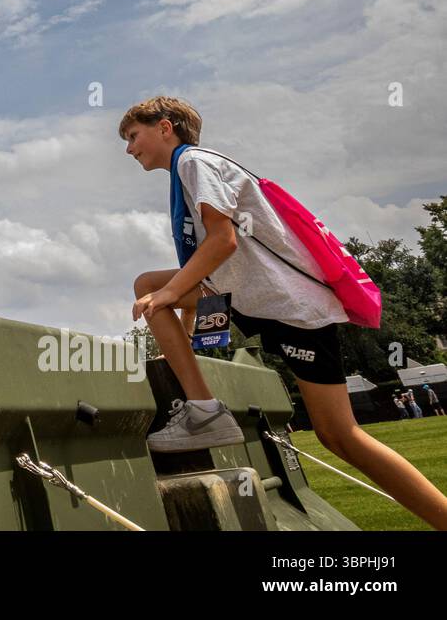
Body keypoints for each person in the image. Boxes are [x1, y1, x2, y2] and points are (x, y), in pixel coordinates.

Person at [122, 95, 447, 529]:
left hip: (289, 309)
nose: (129, 148)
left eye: (133, 136)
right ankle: (202, 407)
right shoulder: (186, 172)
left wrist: (171, 295)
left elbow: (222, 242)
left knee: (339, 435)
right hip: (251, 300)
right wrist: (180, 339)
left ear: (165, 127)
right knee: (148, 284)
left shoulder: (195, 163)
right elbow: (203, 263)